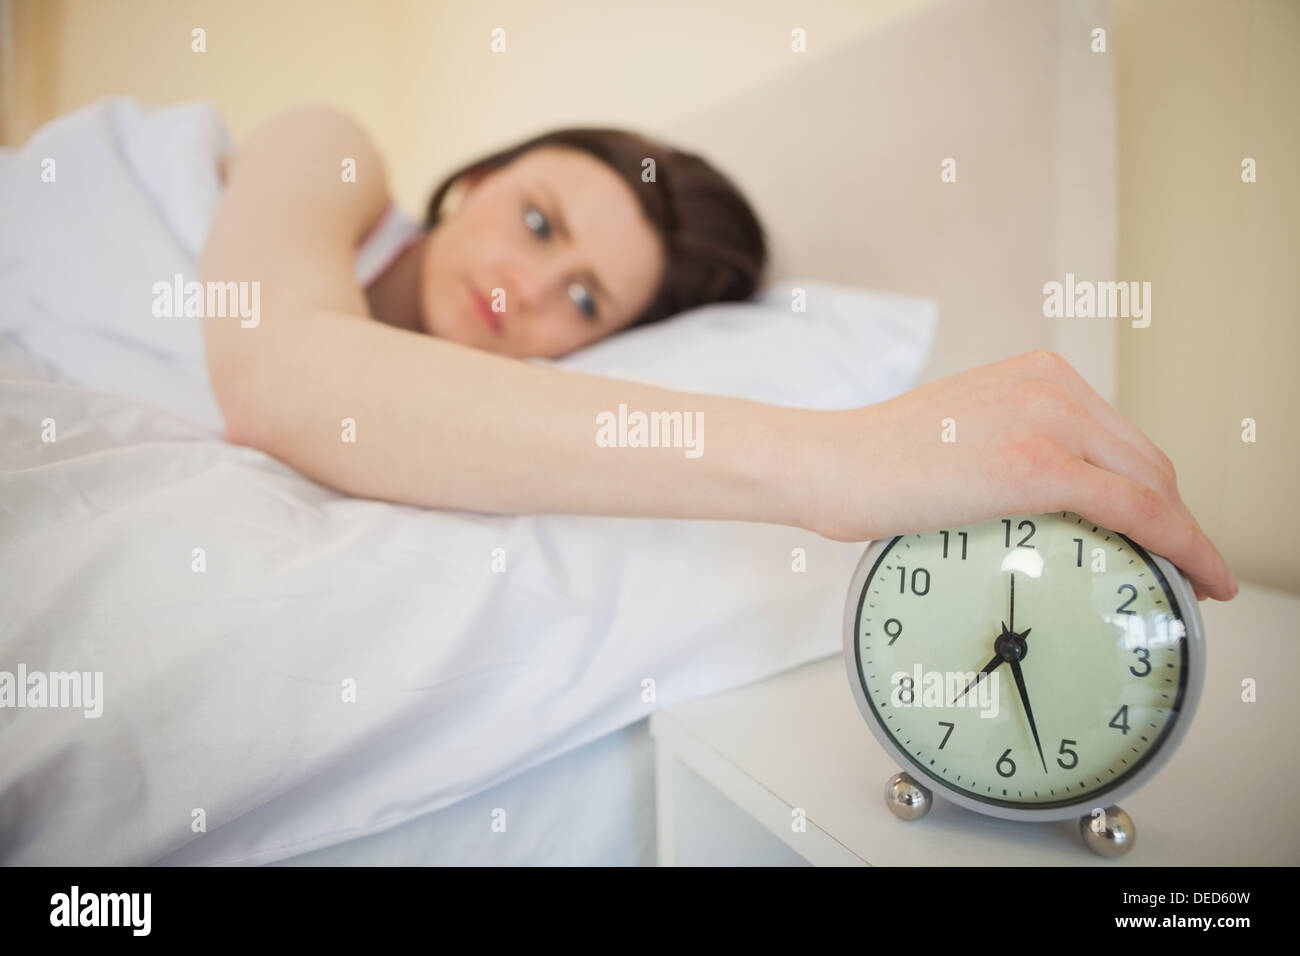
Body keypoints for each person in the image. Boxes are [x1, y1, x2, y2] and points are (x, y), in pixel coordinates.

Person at [201, 105, 1238, 603]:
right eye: (535, 218)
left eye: (583, 297)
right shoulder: (326, 153)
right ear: (476, 176)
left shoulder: (480, 406)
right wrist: (835, 457)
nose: (525, 284)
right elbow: (278, 374)